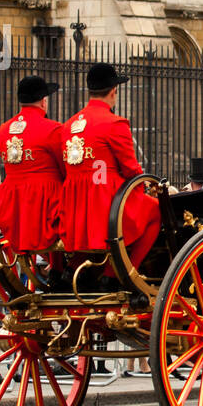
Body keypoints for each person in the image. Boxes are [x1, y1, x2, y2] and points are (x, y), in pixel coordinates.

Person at [59, 62, 161, 273]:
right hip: (106, 200)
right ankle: (125, 271)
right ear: (114, 91)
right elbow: (131, 169)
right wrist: (144, 187)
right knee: (155, 211)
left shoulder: (69, 125)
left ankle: (76, 266)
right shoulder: (115, 123)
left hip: (75, 203)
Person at [0, 77, 65, 253]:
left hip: (12, 204)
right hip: (45, 202)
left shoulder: (3, 130)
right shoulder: (53, 129)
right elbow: (65, 169)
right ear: (44, 101)